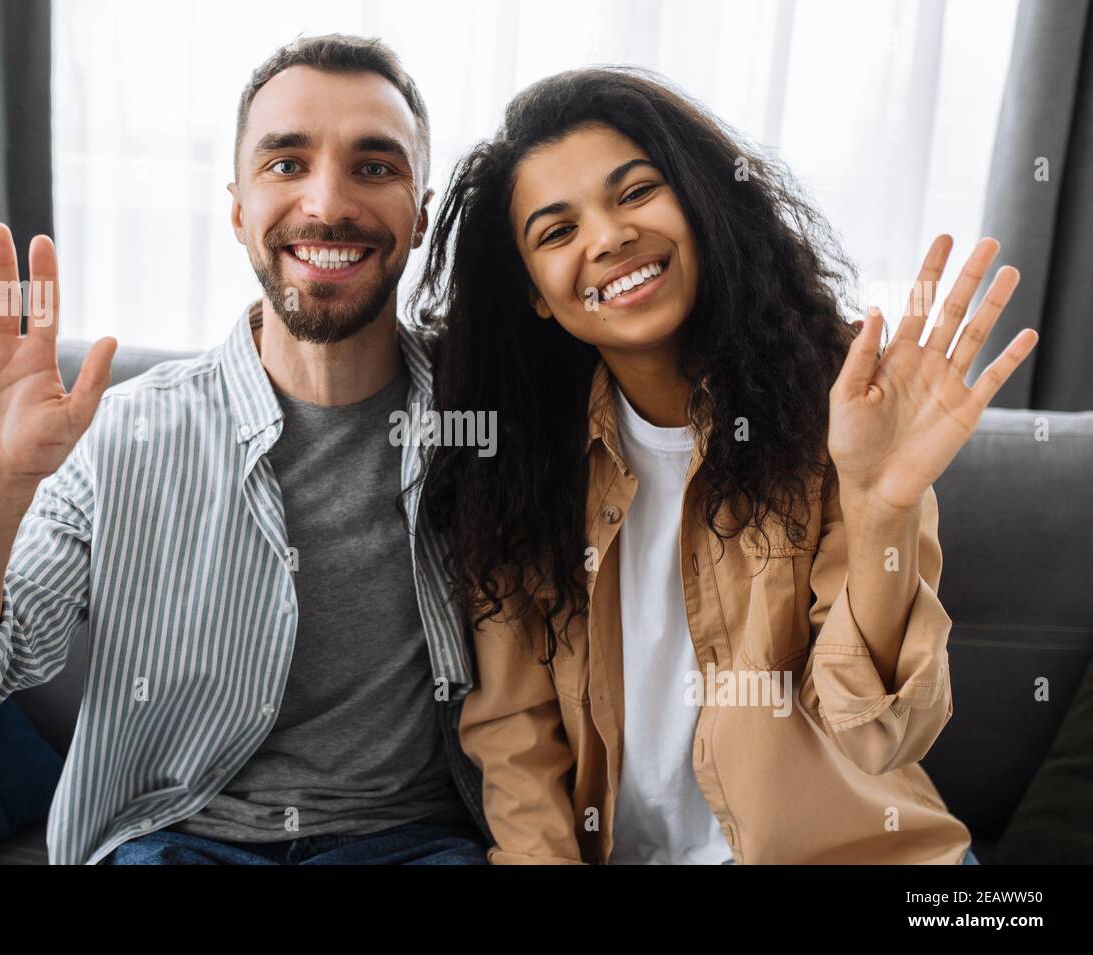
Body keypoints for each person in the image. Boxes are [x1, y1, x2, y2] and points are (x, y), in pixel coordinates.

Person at [0, 34, 491, 866]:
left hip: (414, 845)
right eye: (286, 163)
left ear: (419, 211)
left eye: (374, 167)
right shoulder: (124, 435)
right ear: (237, 210)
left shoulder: (485, 428)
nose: (327, 202)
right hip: (176, 839)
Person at [417, 67, 1034, 864]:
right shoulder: (517, 462)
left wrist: (883, 507)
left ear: (702, 204)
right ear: (535, 292)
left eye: (635, 193)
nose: (607, 238)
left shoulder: (841, 402)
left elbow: (883, 733)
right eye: (557, 231)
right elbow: (515, 739)